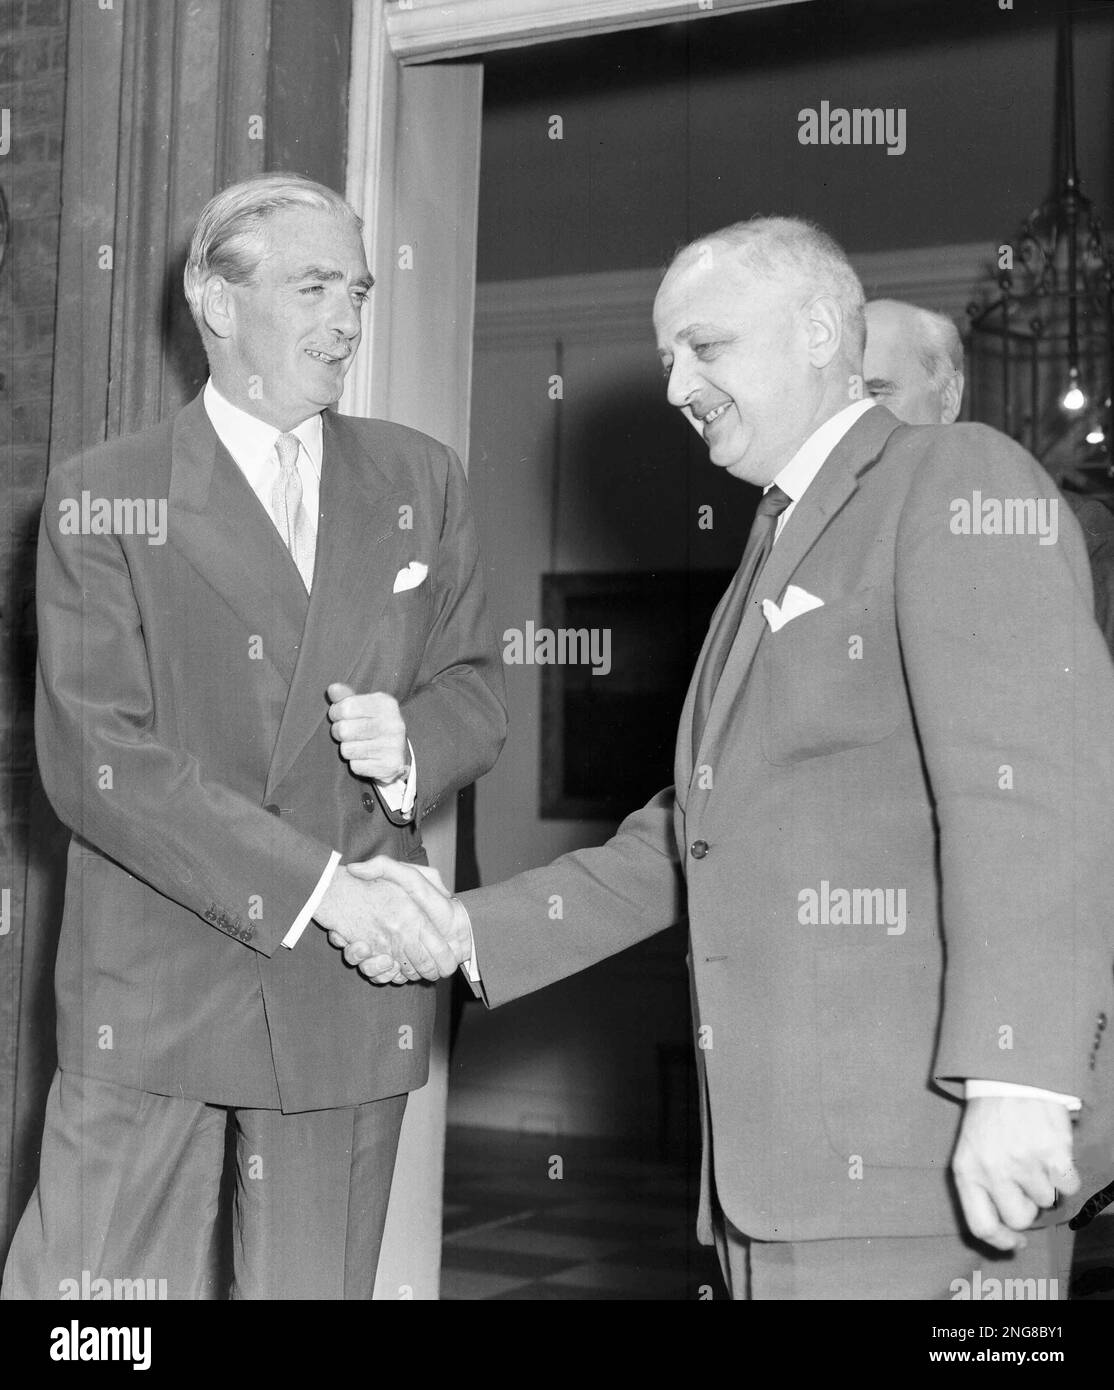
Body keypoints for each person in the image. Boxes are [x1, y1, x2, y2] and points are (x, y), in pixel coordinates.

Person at [346, 217, 1114, 1300]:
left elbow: (1035, 785)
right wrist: (463, 927)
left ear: (814, 330)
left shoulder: (948, 475)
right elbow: (696, 834)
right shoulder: (775, 539)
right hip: (780, 1189)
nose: (674, 386)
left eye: (704, 347)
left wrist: (1019, 1077)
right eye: (666, 358)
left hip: (928, 1178)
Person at [1, 173, 506, 1301]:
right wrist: (326, 885)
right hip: (158, 975)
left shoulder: (421, 478)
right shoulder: (105, 497)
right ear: (215, 302)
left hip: (346, 986)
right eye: (313, 285)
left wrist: (413, 741)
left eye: (359, 290)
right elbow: (102, 762)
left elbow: (477, 686)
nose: (346, 320)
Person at [864, 296, 1114, 655]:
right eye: (843, 402)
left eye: (876, 394)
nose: (852, 423)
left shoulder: (1063, 530)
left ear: (948, 398)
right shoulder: (807, 533)